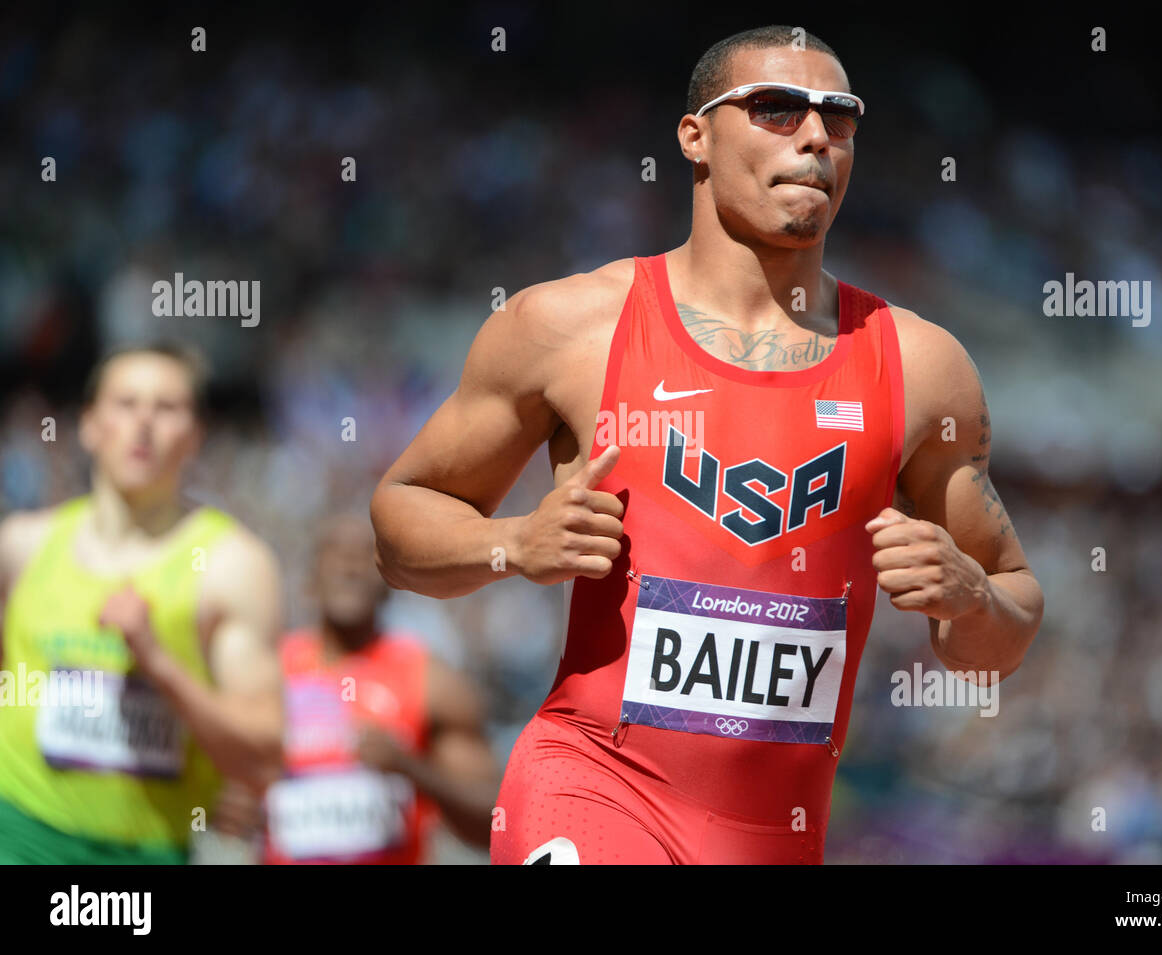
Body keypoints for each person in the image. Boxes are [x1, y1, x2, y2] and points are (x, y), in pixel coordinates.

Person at [370, 25, 1044, 864]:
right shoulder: (570, 327)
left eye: (839, 118)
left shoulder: (921, 365)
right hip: (588, 789)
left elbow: (1006, 625)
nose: (812, 134)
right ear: (694, 135)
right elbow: (400, 519)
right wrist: (510, 542)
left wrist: (970, 596)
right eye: (774, 107)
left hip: (774, 839)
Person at [0, 342, 283, 864]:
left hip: (150, 852)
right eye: (126, 404)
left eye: (167, 408)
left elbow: (262, 757)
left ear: (195, 435)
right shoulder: (21, 546)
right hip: (19, 835)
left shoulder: (233, 566)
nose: (144, 424)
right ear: (88, 423)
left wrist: (158, 664)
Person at [246, 513, 499, 864]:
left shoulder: (431, 681)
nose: (350, 567)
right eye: (335, 554)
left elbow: (496, 822)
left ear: (391, 580)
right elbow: (207, 786)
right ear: (309, 580)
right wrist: (226, 804)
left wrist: (411, 768)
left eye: (366, 556)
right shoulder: (266, 675)